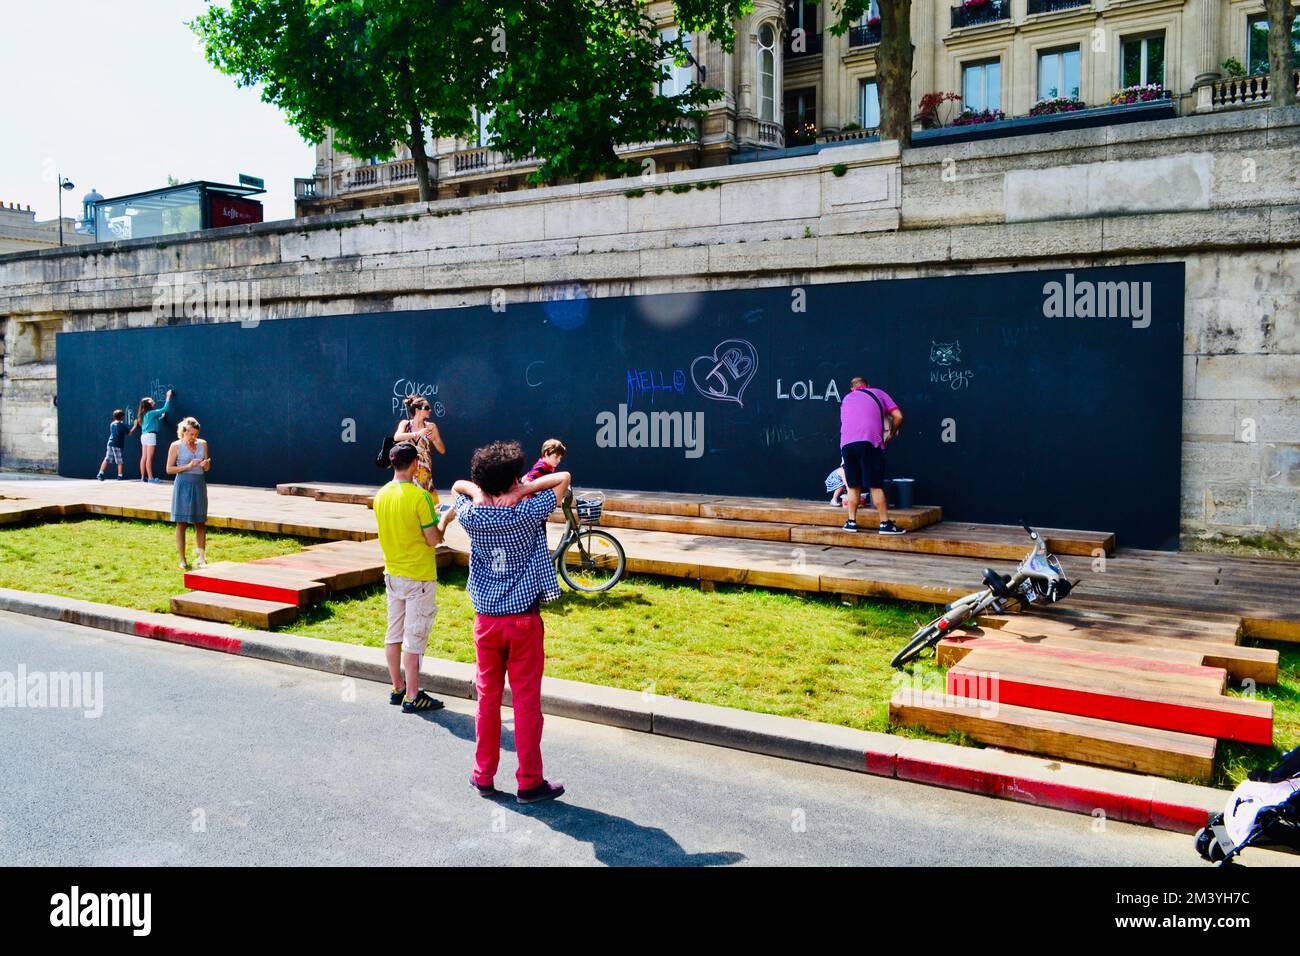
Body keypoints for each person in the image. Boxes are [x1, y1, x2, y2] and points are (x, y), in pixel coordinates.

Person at [452, 441, 568, 805]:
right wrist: (524, 490)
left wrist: (479, 493)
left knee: (487, 698)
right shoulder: (528, 512)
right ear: (514, 478)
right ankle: (529, 781)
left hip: (486, 620)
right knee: (526, 702)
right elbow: (563, 479)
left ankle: (482, 774)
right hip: (523, 621)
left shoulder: (472, 515)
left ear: (482, 481)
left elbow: (457, 485)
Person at [374, 442, 454, 714]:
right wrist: (445, 520)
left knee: (393, 634)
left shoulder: (381, 495)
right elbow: (433, 539)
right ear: (415, 465)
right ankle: (412, 695)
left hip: (392, 573)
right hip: (418, 576)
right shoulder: (419, 497)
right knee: (414, 638)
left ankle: (397, 687)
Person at [839, 375, 905, 535]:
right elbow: (898, 416)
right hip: (869, 442)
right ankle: (885, 524)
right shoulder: (877, 393)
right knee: (875, 484)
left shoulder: (846, 399)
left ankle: (851, 522)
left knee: (853, 485)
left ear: (851, 388)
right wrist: (891, 434)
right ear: (868, 385)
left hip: (846, 445)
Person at [166, 416, 210, 570]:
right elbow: (169, 469)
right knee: (181, 523)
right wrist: (188, 465)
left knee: (200, 523)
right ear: (183, 432)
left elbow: (207, 468)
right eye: (191, 434)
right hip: (183, 484)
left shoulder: (203, 444)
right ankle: (182, 559)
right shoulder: (175, 446)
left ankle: (202, 558)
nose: (194, 437)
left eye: (196, 434)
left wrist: (205, 465)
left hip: (199, 484)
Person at [393, 396, 446, 500]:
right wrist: (417, 434)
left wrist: (434, 440)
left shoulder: (431, 426)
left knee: (427, 504)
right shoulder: (405, 424)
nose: (430, 410)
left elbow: (442, 450)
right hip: (407, 471)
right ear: (417, 410)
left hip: (424, 474)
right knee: (408, 502)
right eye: (426, 408)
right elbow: (396, 437)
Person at [131, 388, 174, 483]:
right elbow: (164, 409)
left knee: (144, 457)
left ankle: (143, 477)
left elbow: (152, 421)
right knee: (149, 458)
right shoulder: (151, 413)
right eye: (151, 401)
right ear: (148, 404)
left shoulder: (143, 414)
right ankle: (150, 478)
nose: (153, 401)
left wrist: (161, 416)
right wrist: (168, 397)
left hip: (144, 436)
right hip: (150, 436)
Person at [96, 409, 129, 481]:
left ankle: (100, 474)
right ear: (121, 418)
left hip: (110, 443)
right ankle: (120, 476)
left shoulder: (112, 424)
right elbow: (129, 433)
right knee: (119, 461)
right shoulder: (122, 425)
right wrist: (135, 426)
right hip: (117, 444)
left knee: (107, 458)